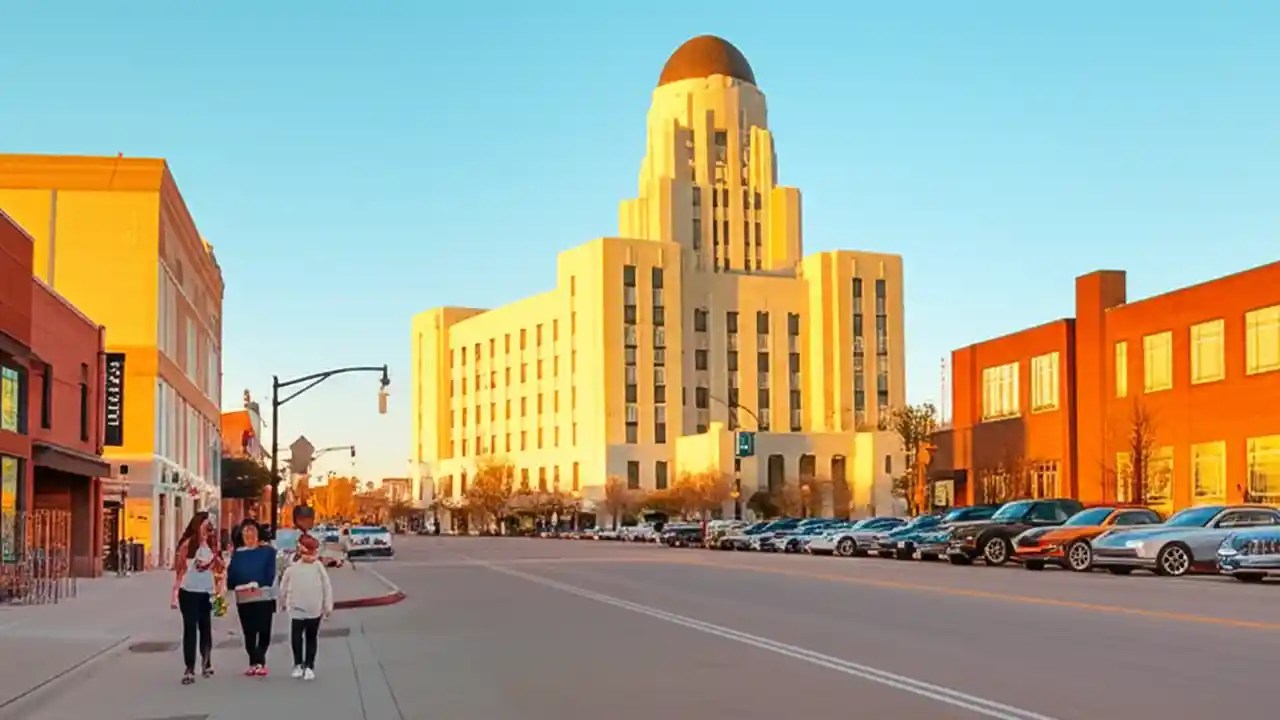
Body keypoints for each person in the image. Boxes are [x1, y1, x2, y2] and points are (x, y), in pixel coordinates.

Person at [172, 511, 224, 685]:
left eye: (209, 527)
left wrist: (218, 587)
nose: (207, 530)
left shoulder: (212, 545)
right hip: (188, 591)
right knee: (189, 628)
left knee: (205, 627)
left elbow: (219, 567)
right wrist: (174, 594)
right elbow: (179, 570)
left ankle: (206, 660)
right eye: (205, 525)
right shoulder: (188, 545)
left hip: (206, 592)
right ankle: (189, 667)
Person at [226, 519, 277, 676]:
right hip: (244, 597)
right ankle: (253, 662)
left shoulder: (267, 552)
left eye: (252, 531)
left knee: (264, 630)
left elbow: (270, 574)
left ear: (257, 533)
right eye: (245, 531)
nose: (249, 534)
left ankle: (260, 660)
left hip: (263, 596)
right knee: (249, 631)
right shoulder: (237, 554)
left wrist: (257, 583)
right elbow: (231, 577)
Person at [279, 533, 333, 680]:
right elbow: (284, 585)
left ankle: (309, 665)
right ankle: (298, 664)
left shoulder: (318, 567)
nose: (309, 557)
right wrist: (283, 602)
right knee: (296, 637)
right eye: (306, 553)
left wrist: (328, 606)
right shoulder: (292, 567)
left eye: (312, 553)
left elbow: (326, 586)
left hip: (314, 608)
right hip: (296, 607)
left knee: (311, 637)